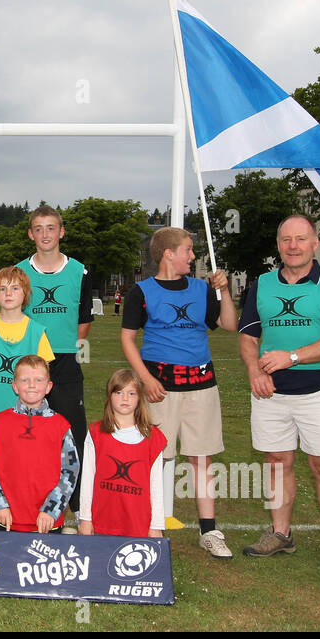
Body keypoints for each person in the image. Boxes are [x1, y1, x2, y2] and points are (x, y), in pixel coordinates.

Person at [238, 214, 320, 579]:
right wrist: (255, 371)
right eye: (286, 239)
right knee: (277, 462)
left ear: (315, 244)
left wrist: (292, 357)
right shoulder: (261, 284)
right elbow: (247, 336)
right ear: (279, 245)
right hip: (271, 394)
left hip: (319, 390)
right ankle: (280, 534)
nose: (293, 246)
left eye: (301, 239)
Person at [120, 227, 237, 559]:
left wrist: (224, 292)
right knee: (154, 459)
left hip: (201, 385)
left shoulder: (202, 289)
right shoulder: (141, 292)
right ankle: (148, 524)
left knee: (202, 459)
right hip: (160, 389)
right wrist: (145, 379)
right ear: (169, 253)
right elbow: (128, 339)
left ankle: (209, 530)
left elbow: (229, 324)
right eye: (188, 249)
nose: (193, 255)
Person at [17, 205, 92, 514]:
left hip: (65, 359)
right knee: (29, 429)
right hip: (31, 360)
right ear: (31, 234)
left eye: (51, 228)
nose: (45, 234)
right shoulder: (20, 271)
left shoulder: (79, 270)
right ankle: (28, 493)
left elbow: (84, 314)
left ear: (61, 232)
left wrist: (72, 348)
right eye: (39, 228)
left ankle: (77, 502)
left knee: (73, 428)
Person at [0, 266, 54, 529]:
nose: (8, 293)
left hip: (22, 417)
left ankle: (20, 521)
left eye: (15, 287)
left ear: (25, 293)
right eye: (2, 288)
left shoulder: (37, 330)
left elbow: (42, 374)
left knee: (17, 471)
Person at [0, 356, 79, 534]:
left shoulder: (61, 425)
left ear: (48, 386)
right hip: (7, 520)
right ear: (15, 386)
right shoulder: (0, 422)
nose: (32, 385)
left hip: (47, 523)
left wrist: (51, 510)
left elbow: (70, 471)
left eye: (38, 380)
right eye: (25, 380)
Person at [78, 370, 167, 538]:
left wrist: (155, 526)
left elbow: (156, 486)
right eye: (119, 392)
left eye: (131, 393)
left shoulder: (153, 437)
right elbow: (88, 478)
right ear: (109, 396)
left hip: (138, 523)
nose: (125, 398)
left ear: (140, 397)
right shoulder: (96, 432)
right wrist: (85, 519)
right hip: (102, 522)